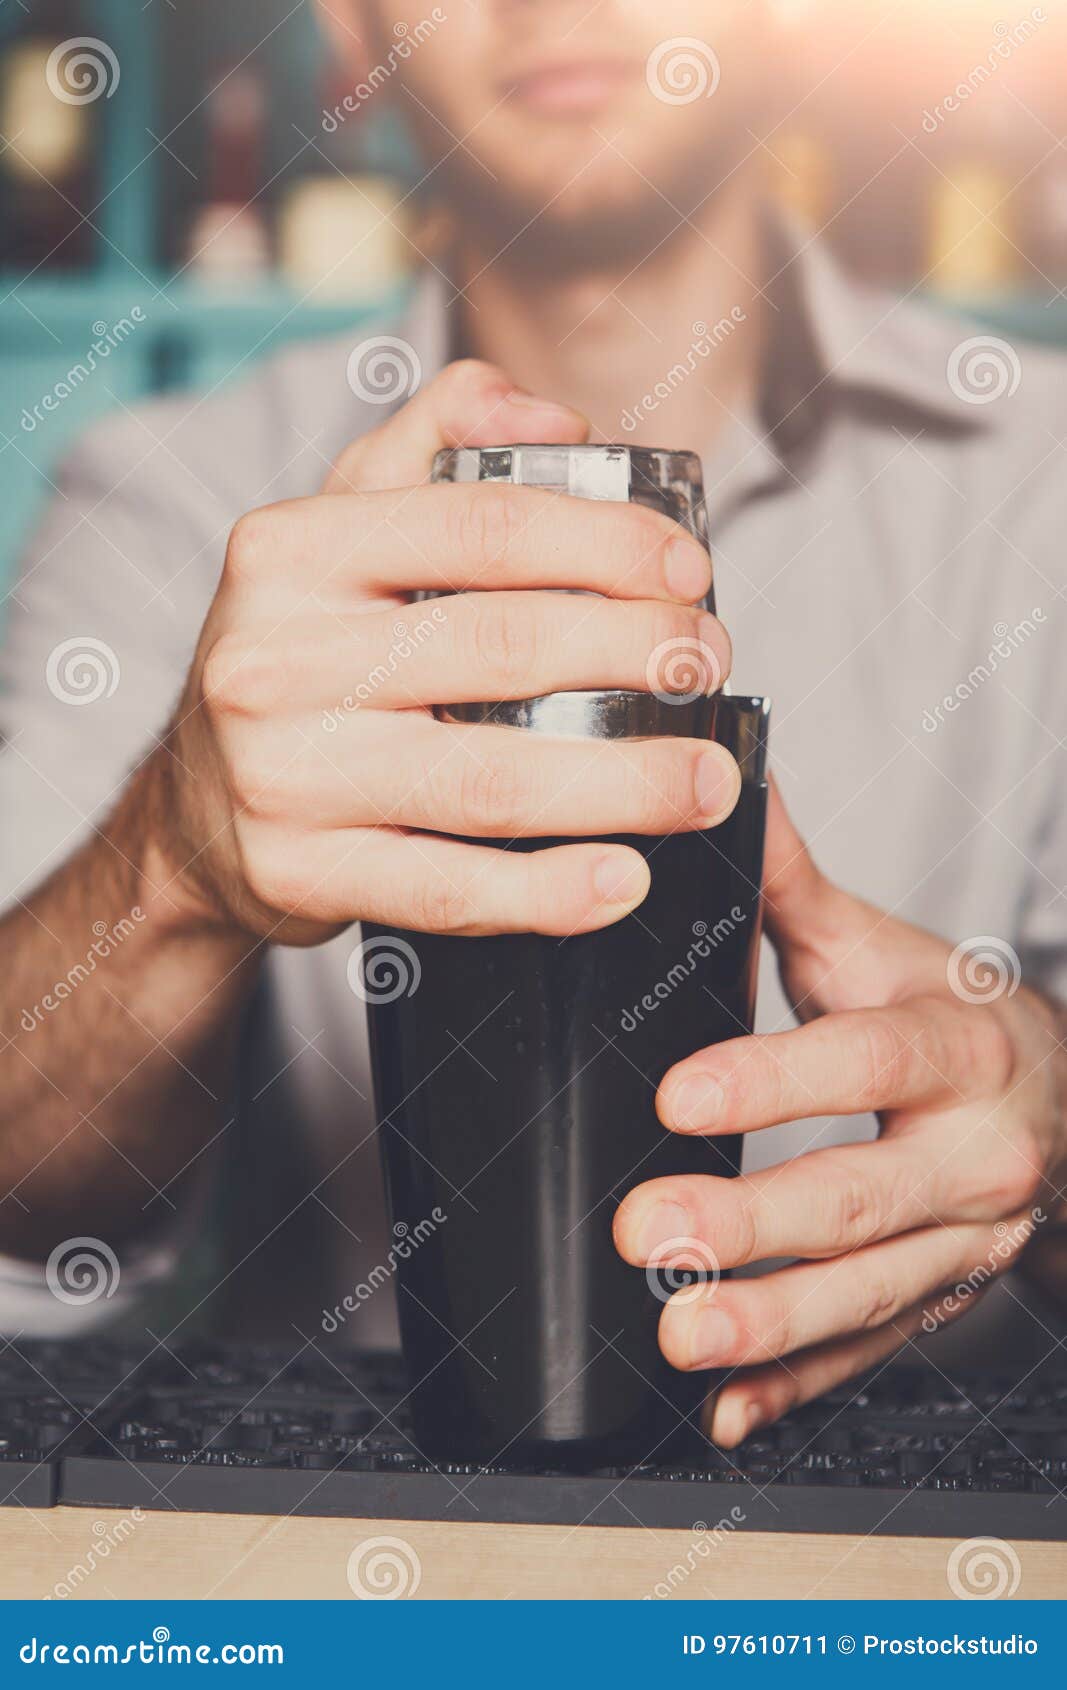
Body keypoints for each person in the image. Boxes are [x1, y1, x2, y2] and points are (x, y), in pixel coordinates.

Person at [1, 0, 1064, 1449]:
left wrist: (1050, 1118)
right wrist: (171, 869)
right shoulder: (178, 491)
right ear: (351, 26)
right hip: (374, 1556)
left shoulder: (1048, 483)